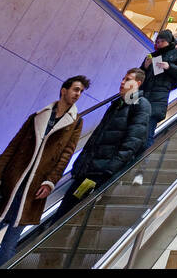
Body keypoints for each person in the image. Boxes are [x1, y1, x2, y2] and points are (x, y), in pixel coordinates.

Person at [0, 76, 87, 269]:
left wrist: (50, 182)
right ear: (63, 90)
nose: (78, 94)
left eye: (81, 91)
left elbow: (66, 156)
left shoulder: (76, 123)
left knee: (9, 246)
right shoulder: (37, 117)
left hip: (33, 193)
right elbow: (11, 148)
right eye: (75, 89)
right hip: (8, 187)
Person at [54, 69, 152, 220]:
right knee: (65, 213)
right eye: (123, 78)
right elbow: (98, 137)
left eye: (128, 79)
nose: (122, 82)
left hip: (100, 173)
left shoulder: (140, 105)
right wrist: (80, 163)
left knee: (72, 216)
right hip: (89, 169)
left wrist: (109, 170)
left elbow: (133, 142)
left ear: (137, 83)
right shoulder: (118, 104)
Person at [140, 29, 177, 144]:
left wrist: (169, 66)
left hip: (158, 99)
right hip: (144, 96)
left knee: (147, 134)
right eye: (158, 41)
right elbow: (140, 77)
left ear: (168, 41)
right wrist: (145, 68)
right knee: (136, 132)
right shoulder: (153, 55)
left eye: (162, 41)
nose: (159, 44)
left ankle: (142, 161)